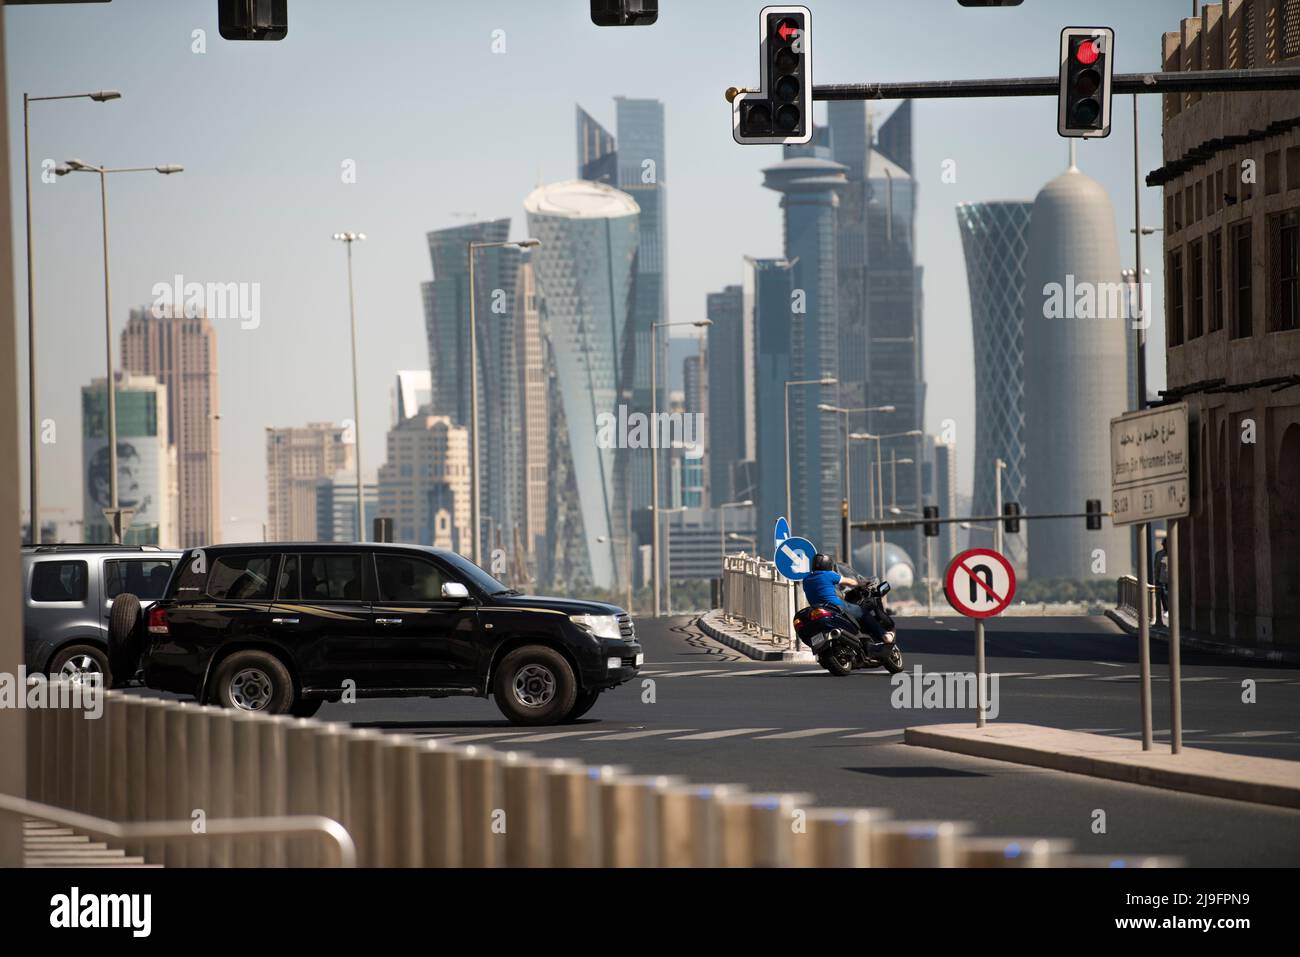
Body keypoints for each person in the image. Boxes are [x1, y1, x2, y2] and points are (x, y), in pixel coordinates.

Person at [801, 553, 885, 641]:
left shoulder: (806, 579)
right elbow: (850, 582)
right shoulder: (828, 574)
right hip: (835, 606)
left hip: (817, 610)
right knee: (863, 613)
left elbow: (819, 590)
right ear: (828, 565)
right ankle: (884, 635)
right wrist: (863, 583)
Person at [1155, 540, 1170, 625]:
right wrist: (1156, 579)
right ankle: (1166, 610)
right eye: (1163, 544)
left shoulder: (1175, 552)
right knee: (1163, 594)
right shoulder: (1159, 554)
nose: (1164, 546)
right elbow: (1156, 568)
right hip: (1162, 579)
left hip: (1172, 580)